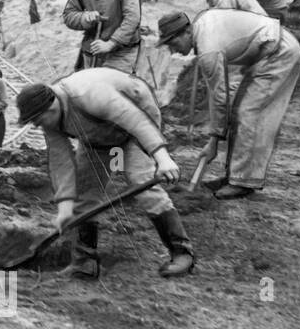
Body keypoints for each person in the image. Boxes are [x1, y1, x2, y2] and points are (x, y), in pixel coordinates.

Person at [15, 71, 192, 278]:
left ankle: (182, 253)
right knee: (85, 191)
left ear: (51, 106)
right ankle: (85, 263)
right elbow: (60, 160)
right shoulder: (49, 119)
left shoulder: (88, 95)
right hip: (97, 135)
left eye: (36, 120)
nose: (36, 125)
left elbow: (136, 121)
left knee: (140, 180)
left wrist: (163, 158)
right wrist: (64, 208)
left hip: (137, 125)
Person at [156, 9, 300, 199]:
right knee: (237, 112)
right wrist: (217, 133)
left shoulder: (208, 48)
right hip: (264, 53)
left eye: (173, 42)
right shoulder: (202, 28)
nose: (172, 49)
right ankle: (233, 176)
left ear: (187, 32)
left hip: (279, 53)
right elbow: (224, 90)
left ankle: (243, 182)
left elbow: (219, 95)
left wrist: (213, 141)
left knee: (249, 114)